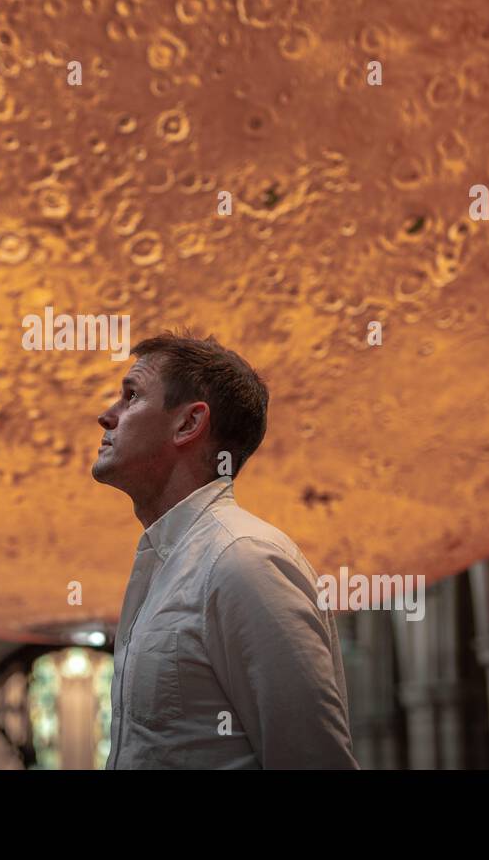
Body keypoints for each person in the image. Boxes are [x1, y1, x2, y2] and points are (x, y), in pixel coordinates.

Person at [92, 329, 358, 769]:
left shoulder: (244, 560)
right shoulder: (168, 563)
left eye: (131, 395)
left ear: (189, 424)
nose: (107, 415)